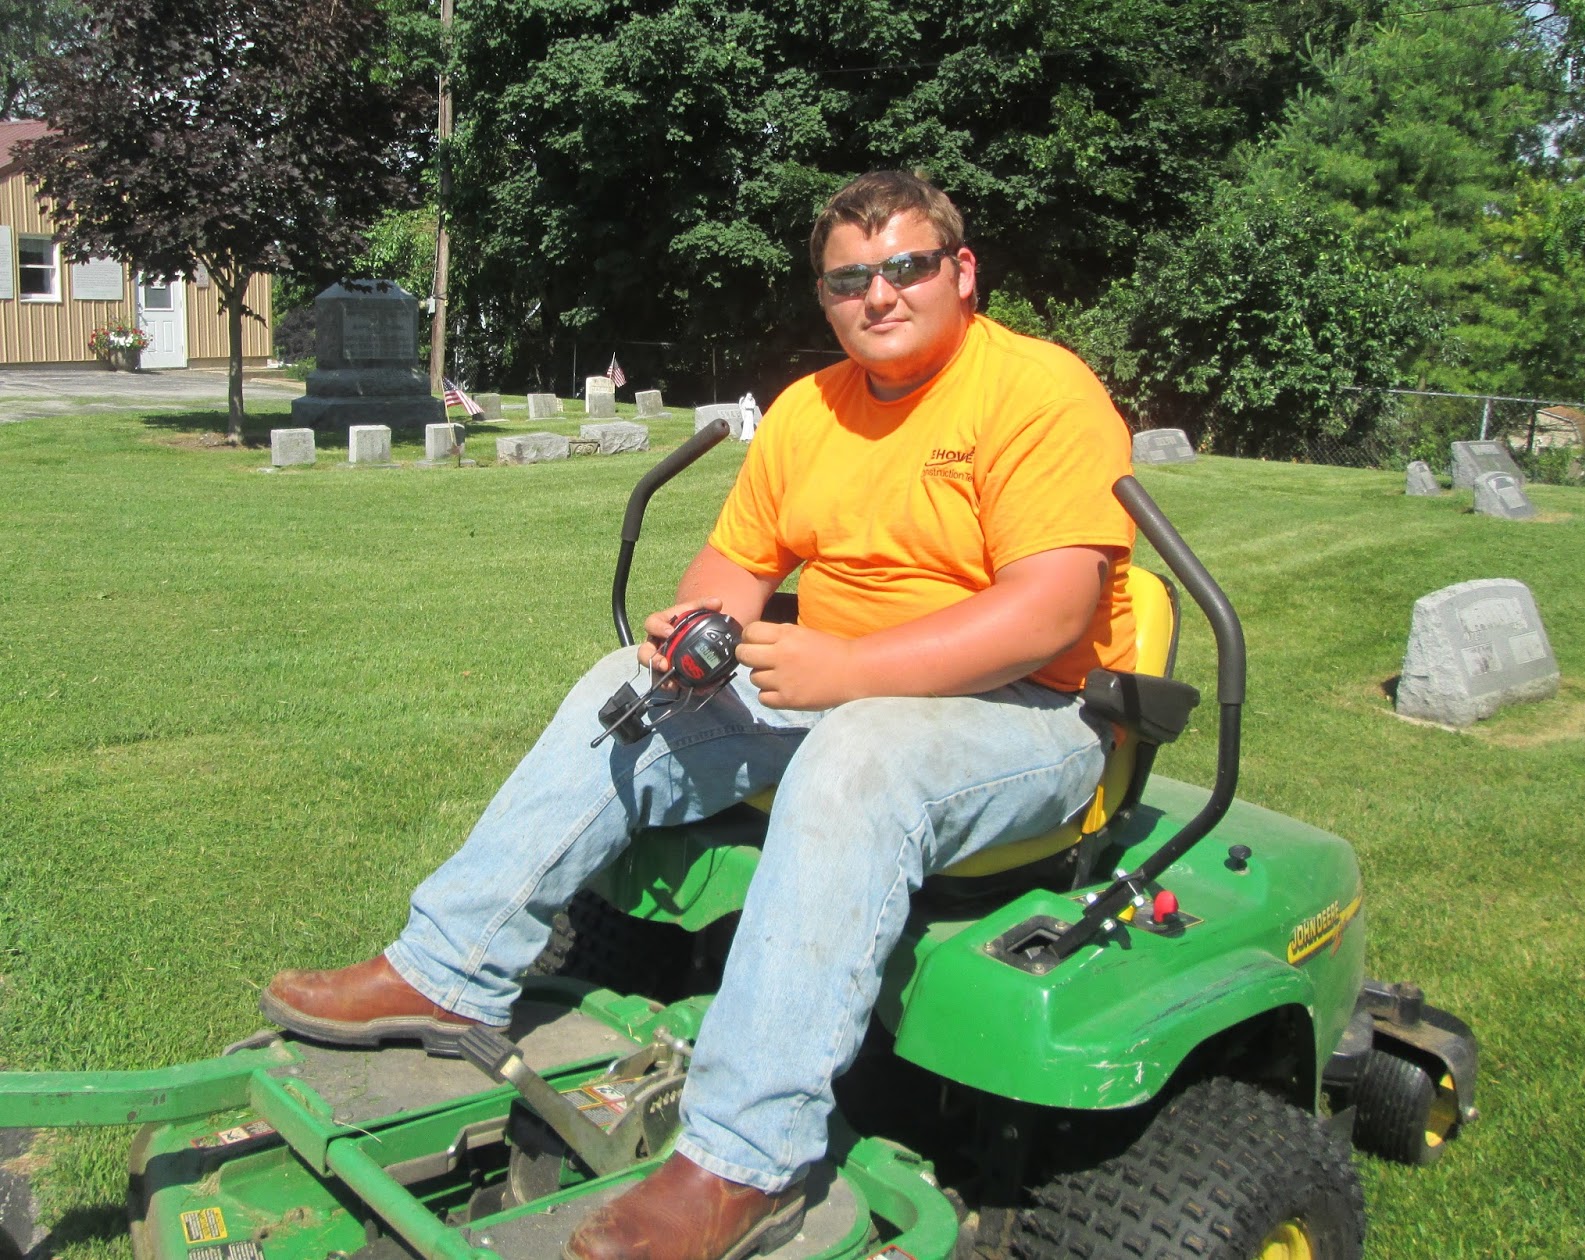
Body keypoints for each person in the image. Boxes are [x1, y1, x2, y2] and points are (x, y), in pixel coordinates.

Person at [260, 170, 1137, 1260]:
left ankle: (744, 1161)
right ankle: (449, 970)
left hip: (1030, 712)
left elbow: (1049, 614)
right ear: (826, 297)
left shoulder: (1040, 393)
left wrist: (849, 668)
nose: (879, 294)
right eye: (850, 279)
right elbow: (733, 568)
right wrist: (700, 629)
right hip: (844, 678)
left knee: (860, 755)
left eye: (907, 266)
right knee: (627, 686)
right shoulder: (812, 409)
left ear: (961, 273)